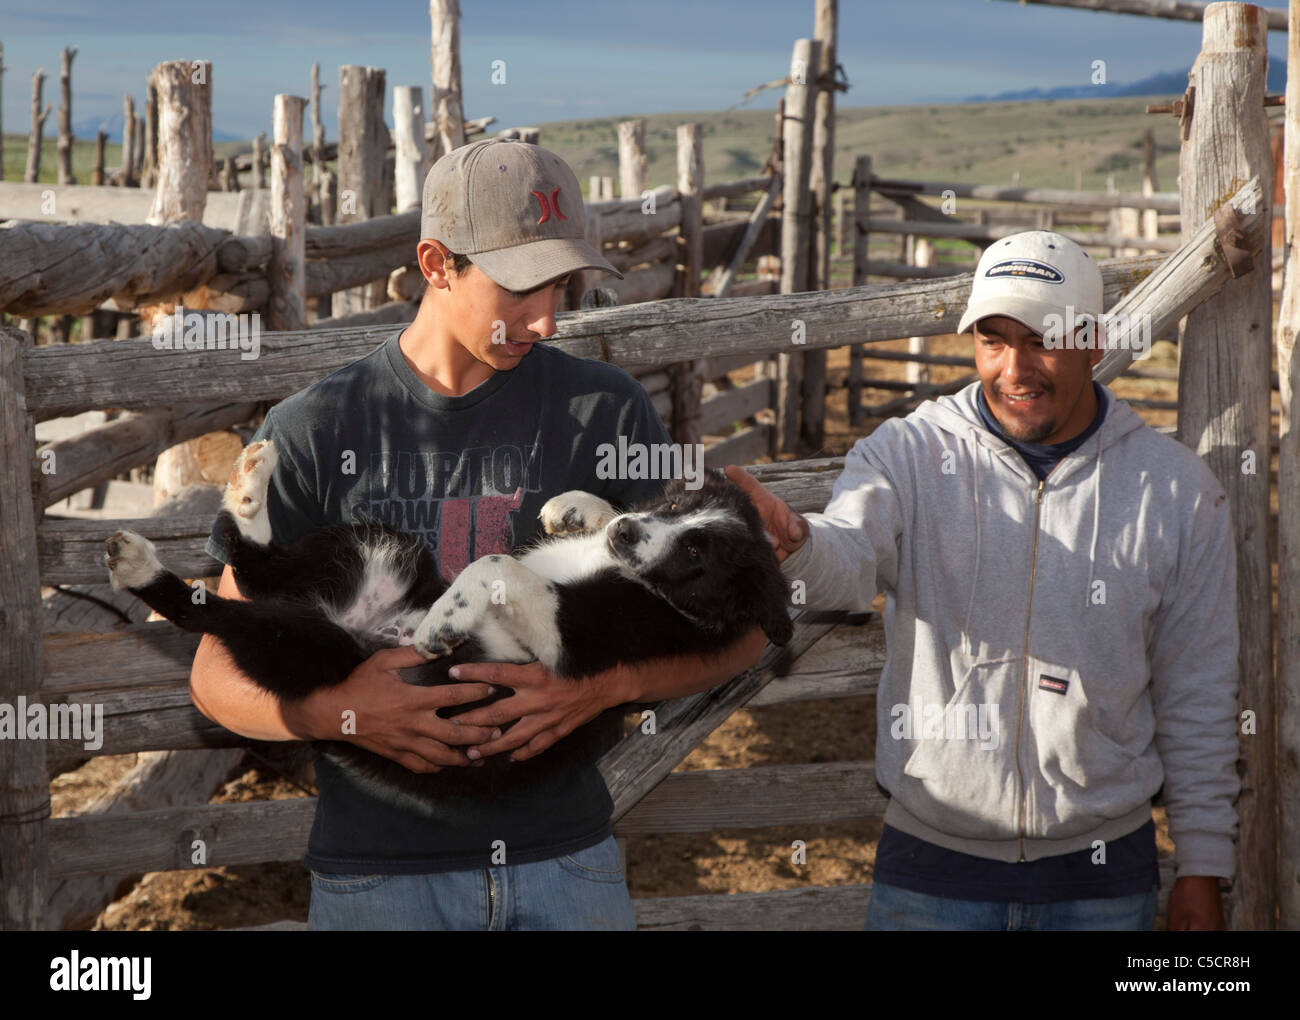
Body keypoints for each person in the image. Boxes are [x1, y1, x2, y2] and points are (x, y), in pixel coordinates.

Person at [190, 138, 768, 931]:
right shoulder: (315, 431)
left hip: (566, 860)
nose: (547, 316)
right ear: (436, 263)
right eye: (522, 285)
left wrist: (602, 686)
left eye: (561, 284)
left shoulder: (606, 412)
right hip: (379, 873)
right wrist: (343, 712)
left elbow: (738, 638)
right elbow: (215, 677)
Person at [727, 231, 1238, 931]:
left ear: (1093, 339)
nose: (1014, 368)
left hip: (1103, 876)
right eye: (993, 341)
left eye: (1040, 340)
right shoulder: (908, 453)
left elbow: (1199, 692)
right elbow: (850, 561)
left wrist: (1204, 867)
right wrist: (799, 546)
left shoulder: (1175, 492)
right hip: (933, 867)